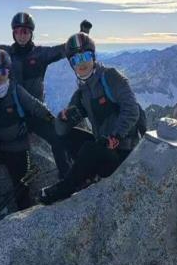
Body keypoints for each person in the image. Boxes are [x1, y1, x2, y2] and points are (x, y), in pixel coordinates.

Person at [0, 10, 71, 178]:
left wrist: (83, 36)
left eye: (25, 31)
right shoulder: (5, 53)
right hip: (11, 112)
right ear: (13, 33)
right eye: (17, 31)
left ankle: (66, 176)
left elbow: (66, 49)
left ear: (31, 33)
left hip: (32, 114)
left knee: (56, 135)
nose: (21, 35)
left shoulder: (42, 54)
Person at [39, 33, 140, 205]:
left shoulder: (111, 77)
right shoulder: (82, 92)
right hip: (102, 148)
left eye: (85, 56)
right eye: (75, 60)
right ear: (71, 64)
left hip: (123, 153)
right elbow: (62, 131)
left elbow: (132, 110)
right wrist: (63, 119)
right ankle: (85, 176)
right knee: (65, 137)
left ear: (93, 57)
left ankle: (65, 188)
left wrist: (115, 136)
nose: (82, 63)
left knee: (90, 148)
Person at [0, 48, 55, 211]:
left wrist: (52, 120)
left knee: (22, 191)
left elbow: (35, 106)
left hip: (18, 149)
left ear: (8, 72)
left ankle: (23, 217)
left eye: (2, 71)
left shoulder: (16, 90)